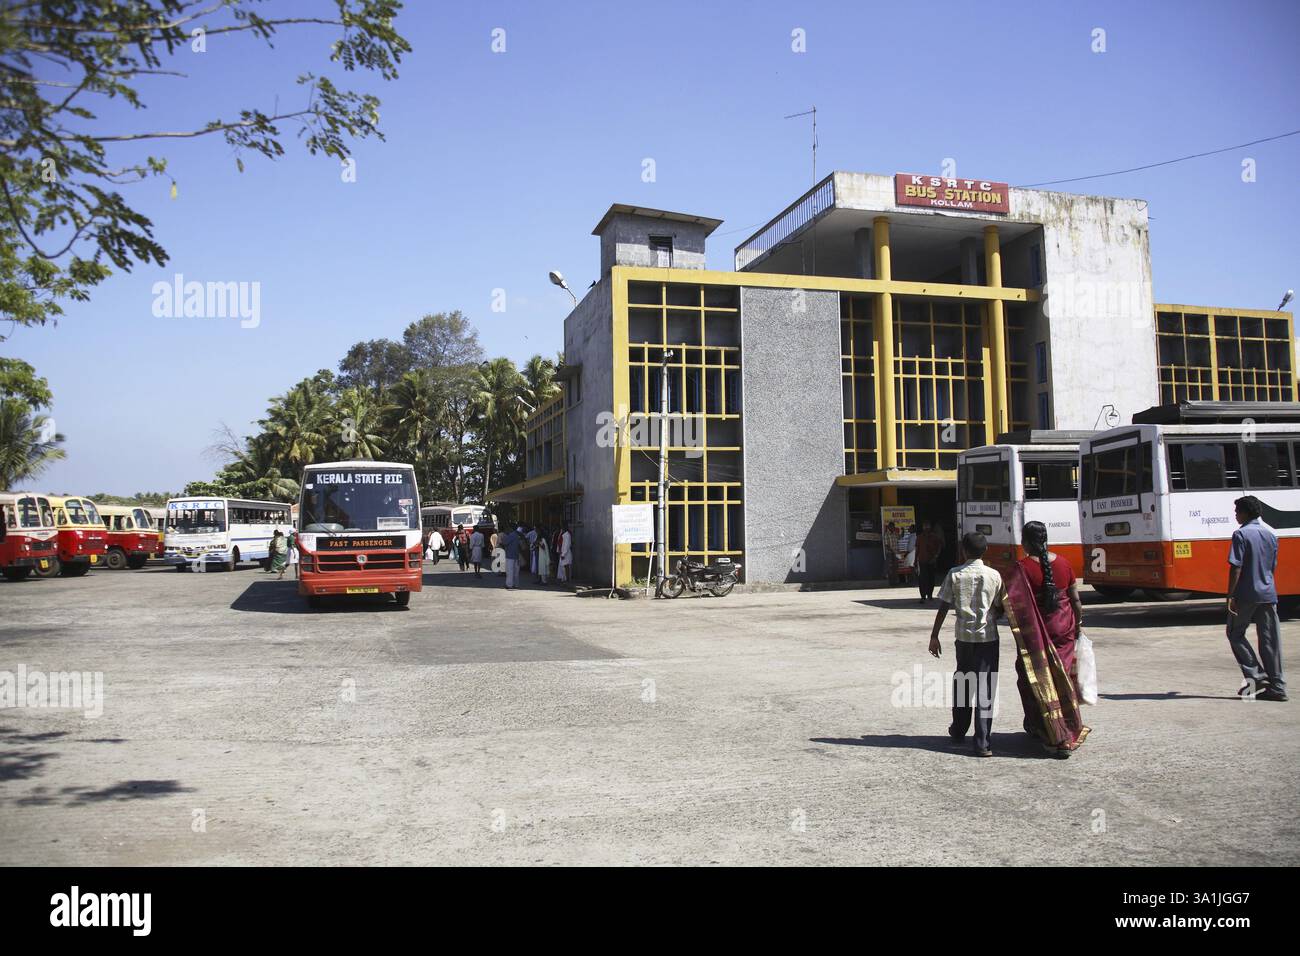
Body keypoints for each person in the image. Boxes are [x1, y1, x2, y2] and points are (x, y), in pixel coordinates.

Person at [1002, 520, 1090, 758]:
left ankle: (1047, 731)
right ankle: (1068, 729)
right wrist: (1078, 626)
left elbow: (1011, 604)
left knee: (1033, 680)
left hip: (1037, 636)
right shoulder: (1063, 563)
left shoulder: (1020, 568)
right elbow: (1075, 600)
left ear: (1026, 542)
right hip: (1064, 630)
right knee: (1063, 681)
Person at [928, 532, 1004, 757]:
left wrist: (934, 636)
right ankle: (982, 743)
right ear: (986, 550)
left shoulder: (954, 574)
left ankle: (959, 729)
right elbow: (1000, 606)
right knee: (985, 688)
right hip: (988, 639)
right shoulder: (994, 575)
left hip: (964, 639)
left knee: (962, 682)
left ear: (963, 550)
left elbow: (943, 607)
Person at [1226, 495, 1287, 701]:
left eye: (1237, 512)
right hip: (1269, 593)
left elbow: (1236, 567)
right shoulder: (1270, 535)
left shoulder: (1240, 534)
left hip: (1245, 594)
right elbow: (1273, 566)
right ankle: (1278, 687)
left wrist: (1230, 595)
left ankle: (1256, 676)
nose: (1235, 515)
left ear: (1245, 513)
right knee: (1270, 641)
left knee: (1235, 633)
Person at [915, 521, 943, 604]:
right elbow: (917, 549)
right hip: (922, 560)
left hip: (931, 561)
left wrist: (935, 556)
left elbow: (939, 547)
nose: (926, 528)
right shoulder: (919, 537)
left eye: (928, 527)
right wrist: (915, 561)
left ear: (930, 528)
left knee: (931, 578)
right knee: (922, 579)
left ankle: (930, 595)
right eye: (925, 527)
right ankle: (923, 596)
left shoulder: (934, 537)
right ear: (923, 528)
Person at [502, 525, 524, 590]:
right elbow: (522, 546)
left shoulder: (511, 535)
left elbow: (504, 542)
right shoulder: (518, 535)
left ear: (511, 528)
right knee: (516, 571)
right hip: (516, 555)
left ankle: (509, 584)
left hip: (510, 555)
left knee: (510, 571)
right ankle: (516, 584)